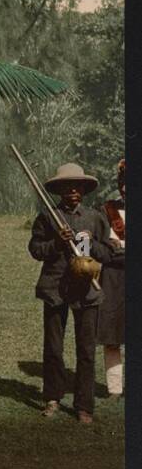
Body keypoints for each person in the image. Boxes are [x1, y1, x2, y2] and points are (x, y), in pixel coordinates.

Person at [29, 161, 116, 424]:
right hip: (55, 288)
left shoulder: (95, 217)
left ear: (83, 190)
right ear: (60, 191)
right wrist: (57, 242)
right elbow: (35, 249)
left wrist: (90, 246)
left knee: (86, 350)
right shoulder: (48, 216)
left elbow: (109, 252)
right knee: (54, 347)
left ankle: (83, 406)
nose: (72, 192)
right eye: (67, 188)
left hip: (87, 290)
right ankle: (52, 397)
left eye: (77, 188)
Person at [99, 159, 125, 399]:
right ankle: (115, 388)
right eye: (123, 182)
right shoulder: (107, 210)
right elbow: (100, 244)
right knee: (112, 335)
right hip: (114, 280)